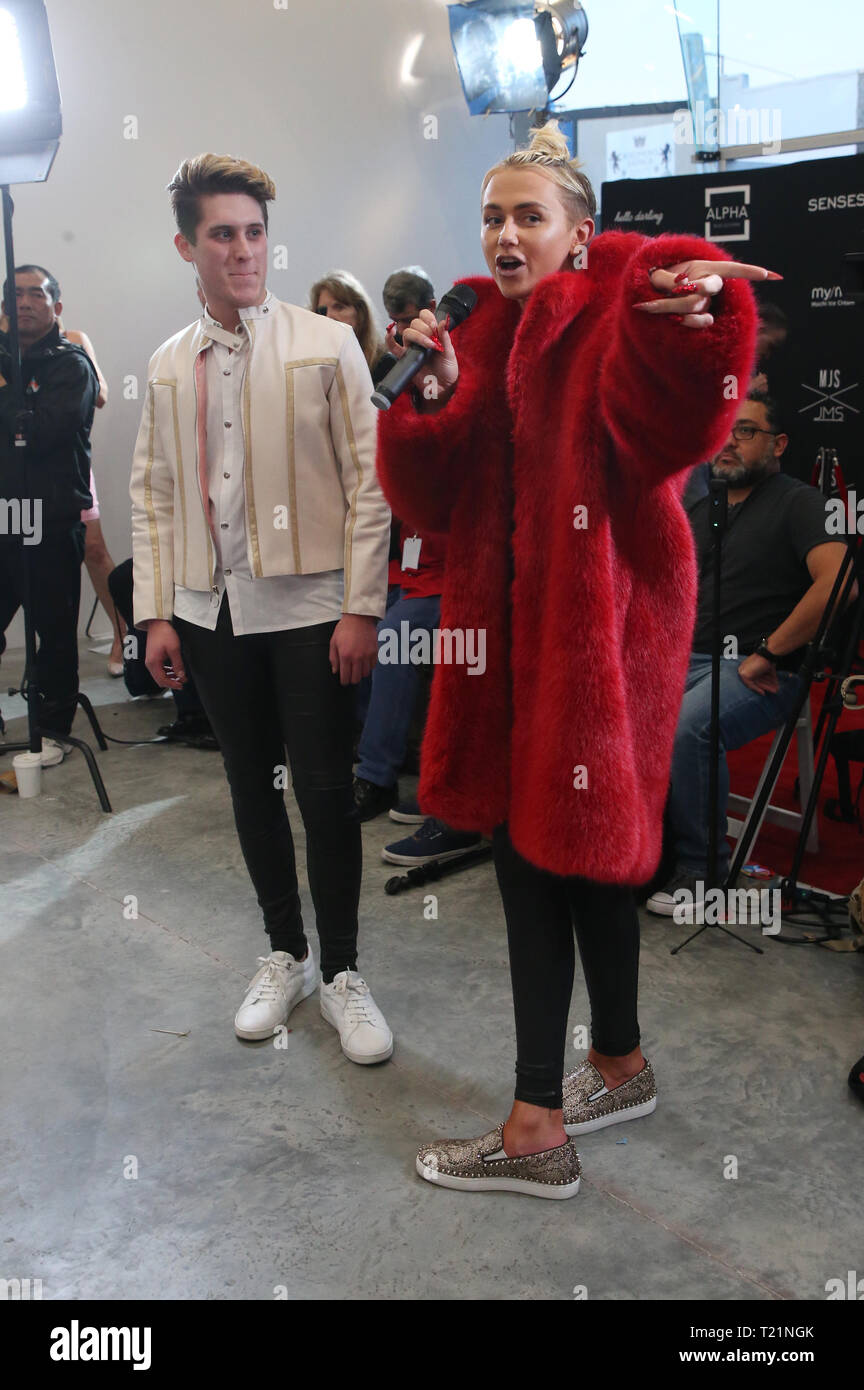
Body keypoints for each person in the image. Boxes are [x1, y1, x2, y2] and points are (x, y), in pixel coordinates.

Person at [376, 121, 772, 1199]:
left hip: (599, 640)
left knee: (539, 859)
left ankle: (535, 1127)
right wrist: (434, 391)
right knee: (586, 856)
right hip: (503, 645)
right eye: (493, 216)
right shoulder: (487, 335)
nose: (505, 234)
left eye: (529, 216)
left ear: (580, 232)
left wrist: (691, 328)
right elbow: (431, 501)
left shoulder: (613, 320)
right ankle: (621, 1062)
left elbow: (676, 419)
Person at [130, 154, 393, 1062]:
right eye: (222, 235)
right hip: (213, 617)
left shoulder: (327, 343)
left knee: (325, 792)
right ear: (186, 246)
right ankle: (285, 953)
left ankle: (346, 973)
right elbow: (155, 495)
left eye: (254, 233)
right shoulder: (168, 365)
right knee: (250, 787)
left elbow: (370, 482)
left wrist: (362, 606)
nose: (243, 251)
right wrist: (160, 612)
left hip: (314, 611)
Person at [647, 391, 855, 914]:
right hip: (683, 658)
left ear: (778, 444)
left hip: (762, 671)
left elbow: (840, 585)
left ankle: (704, 871)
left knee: (689, 726)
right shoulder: (700, 507)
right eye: (723, 433)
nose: (729, 443)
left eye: (745, 432)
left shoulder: (800, 502)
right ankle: (644, 850)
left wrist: (769, 651)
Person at [0, 266, 98, 764]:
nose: (25, 302)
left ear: (56, 306)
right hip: (1, 515)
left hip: (50, 516)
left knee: (54, 632)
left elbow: (43, 434)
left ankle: (54, 730)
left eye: (36, 293)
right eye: (14, 294)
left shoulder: (71, 364)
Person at [309, 269, 386, 377]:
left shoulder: (384, 363)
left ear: (360, 313)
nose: (329, 317)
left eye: (339, 307)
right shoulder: (311, 363)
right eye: (322, 311)